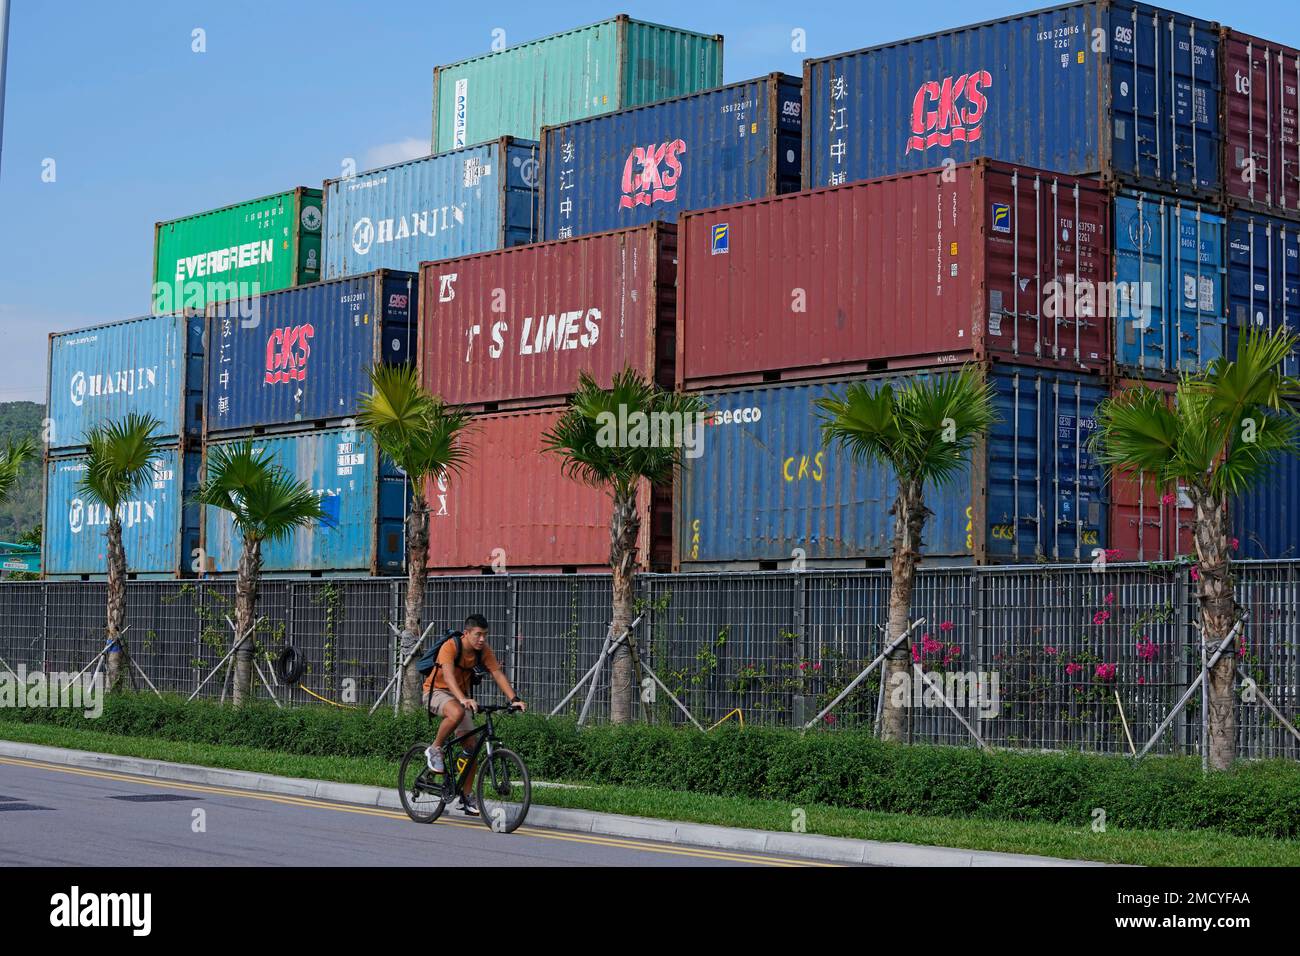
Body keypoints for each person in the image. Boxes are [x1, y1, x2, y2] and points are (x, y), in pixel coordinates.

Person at [421, 614, 526, 816]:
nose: (482, 639)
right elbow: (449, 677)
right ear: (467, 633)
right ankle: (434, 749)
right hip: (436, 692)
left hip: (461, 698)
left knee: (472, 747)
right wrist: (462, 698)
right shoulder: (451, 646)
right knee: (457, 711)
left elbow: (497, 674)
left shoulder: (483, 651)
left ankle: (467, 798)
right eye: (478, 635)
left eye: (485, 635)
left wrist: (514, 699)